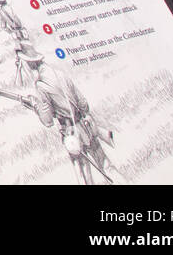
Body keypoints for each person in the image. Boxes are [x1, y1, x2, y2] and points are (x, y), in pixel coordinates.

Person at [22, 45, 115, 185]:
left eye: (27, 62)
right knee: (105, 164)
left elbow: (47, 121)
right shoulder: (60, 73)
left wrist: (35, 107)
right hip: (85, 125)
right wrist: (84, 117)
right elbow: (83, 102)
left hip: (71, 131)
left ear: (32, 62)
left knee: (83, 173)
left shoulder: (41, 85)